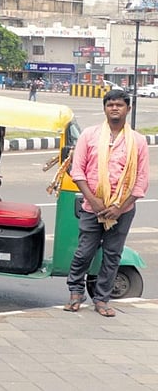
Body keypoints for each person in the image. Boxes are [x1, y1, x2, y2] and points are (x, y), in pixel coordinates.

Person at [63, 90, 148, 316]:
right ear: (105, 108)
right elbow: (77, 170)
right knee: (84, 252)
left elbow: (141, 180)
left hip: (123, 209)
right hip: (92, 208)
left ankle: (102, 299)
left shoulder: (138, 141)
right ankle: (75, 293)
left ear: (127, 109)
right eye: (110, 104)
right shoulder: (90, 135)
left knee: (112, 255)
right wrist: (94, 201)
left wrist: (120, 207)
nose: (114, 108)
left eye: (119, 105)